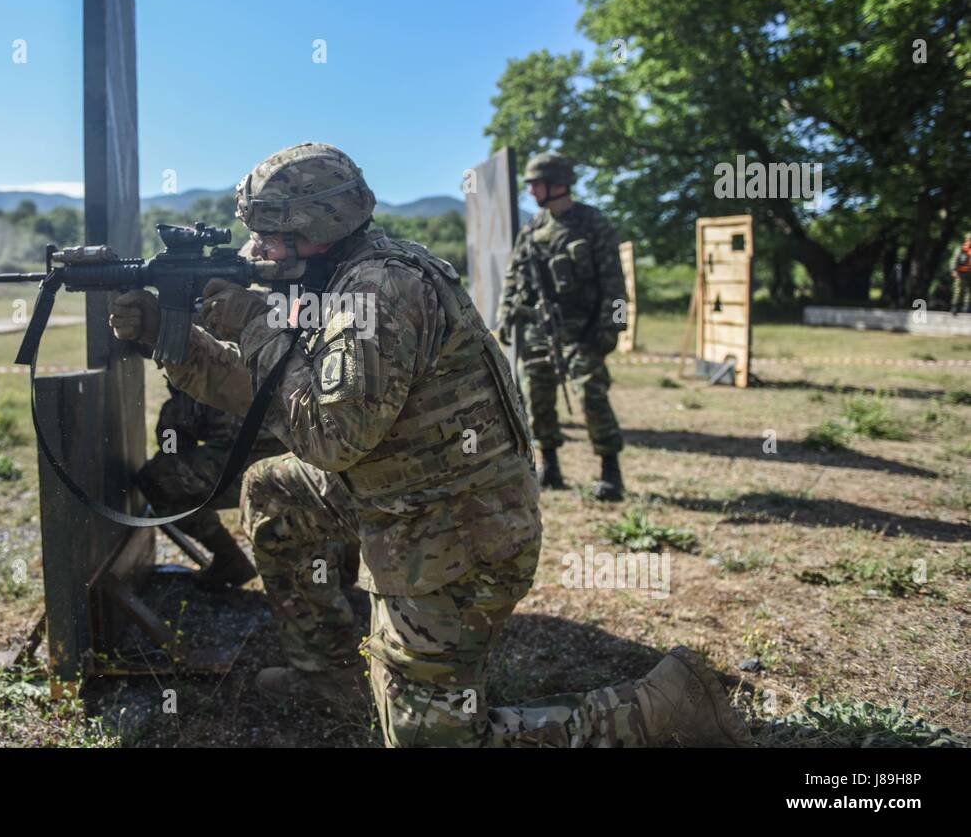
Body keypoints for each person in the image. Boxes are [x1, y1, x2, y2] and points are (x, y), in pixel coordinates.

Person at [110, 142, 751, 748]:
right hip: (401, 492)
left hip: (456, 537)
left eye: (267, 230)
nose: (253, 247)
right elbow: (274, 396)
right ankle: (327, 676)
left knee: (428, 741)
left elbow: (331, 438)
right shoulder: (327, 283)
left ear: (315, 228)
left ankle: (666, 705)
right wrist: (175, 344)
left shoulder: (377, 293)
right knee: (274, 487)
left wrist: (253, 322)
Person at [497, 151, 628, 501]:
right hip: (539, 328)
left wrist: (611, 328)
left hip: (583, 329)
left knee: (591, 395)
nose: (530, 191)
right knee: (536, 396)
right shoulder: (533, 228)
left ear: (557, 184)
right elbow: (514, 275)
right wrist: (505, 314)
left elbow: (614, 282)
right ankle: (550, 466)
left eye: (535, 184)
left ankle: (610, 470)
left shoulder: (591, 222)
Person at [133, 383, 271, 590]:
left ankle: (229, 558)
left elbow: (172, 445)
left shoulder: (196, 386)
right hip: (299, 463)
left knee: (156, 481)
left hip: (255, 468)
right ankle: (232, 561)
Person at [951, 232, 971, 315]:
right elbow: (954, 260)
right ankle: (955, 306)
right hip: (961, 273)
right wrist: (954, 270)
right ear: (967, 239)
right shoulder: (961, 249)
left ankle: (967, 307)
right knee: (958, 290)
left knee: (969, 291)